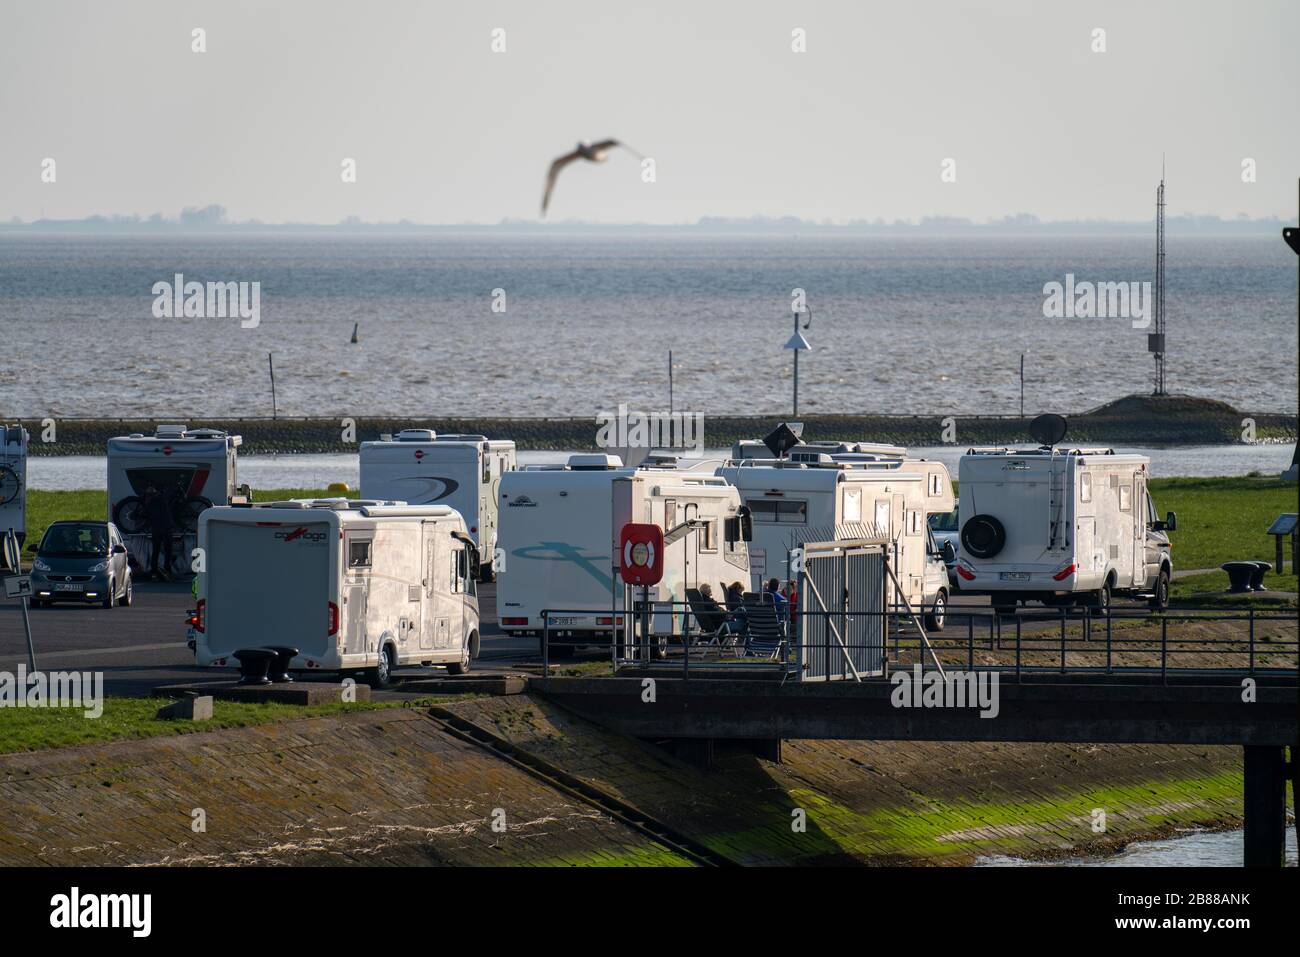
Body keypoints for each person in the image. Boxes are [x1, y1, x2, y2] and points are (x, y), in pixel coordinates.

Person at [144, 484, 175, 581]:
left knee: (156, 551)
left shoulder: (148, 503)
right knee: (168, 551)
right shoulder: (161, 499)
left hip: (156, 529)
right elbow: (167, 495)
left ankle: (154, 573)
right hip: (166, 528)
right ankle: (167, 572)